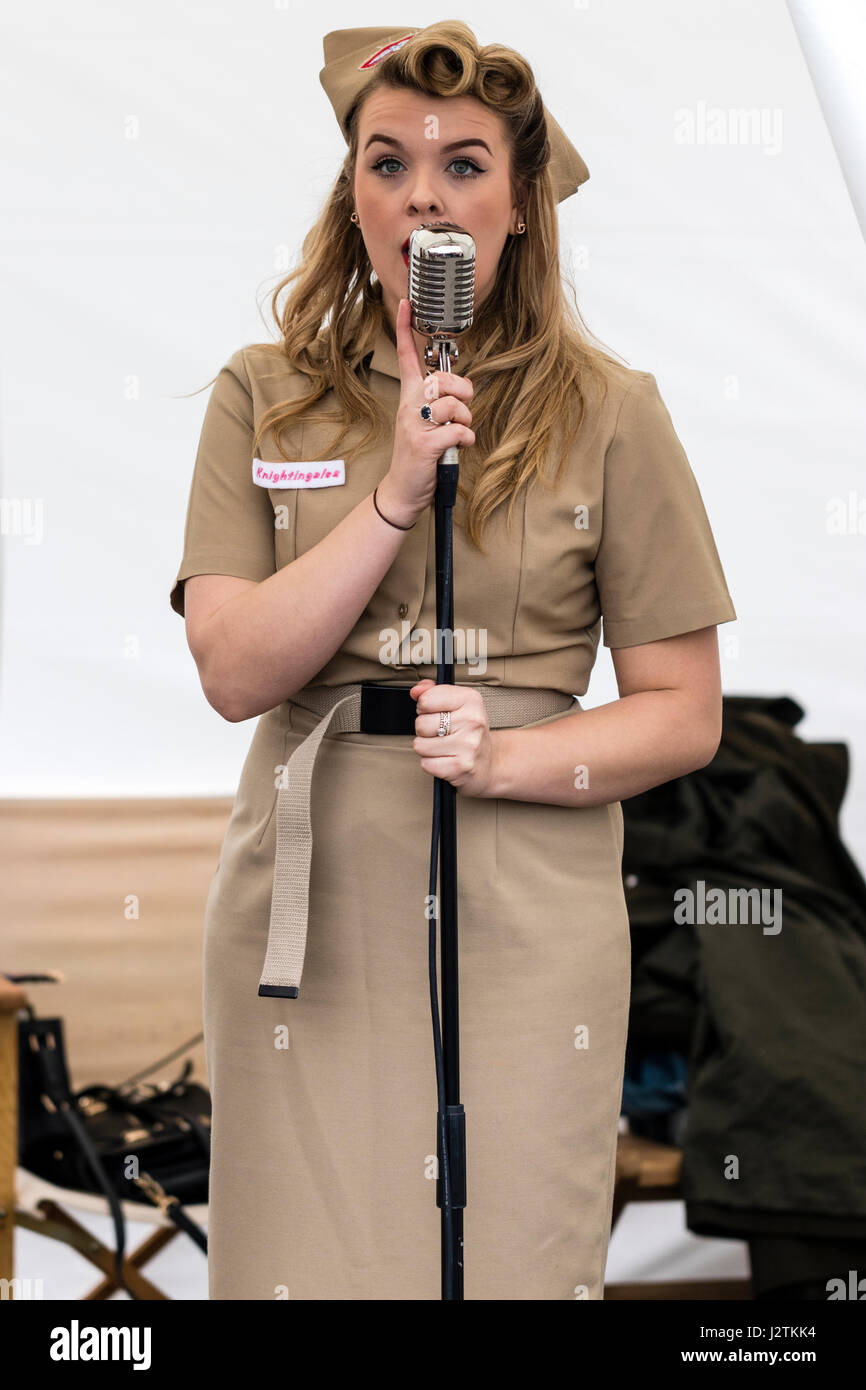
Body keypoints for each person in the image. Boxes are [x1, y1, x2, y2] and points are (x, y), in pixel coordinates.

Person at [169, 22, 737, 1300]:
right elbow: (231, 671)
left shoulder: (612, 413)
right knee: (309, 1266)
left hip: (527, 900)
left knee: (508, 1257)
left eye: (464, 165)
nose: (422, 194)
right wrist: (388, 494)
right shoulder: (261, 396)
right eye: (387, 164)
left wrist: (514, 757)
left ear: (521, 205)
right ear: (353, 199)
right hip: (305, 908)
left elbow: (681, 714)